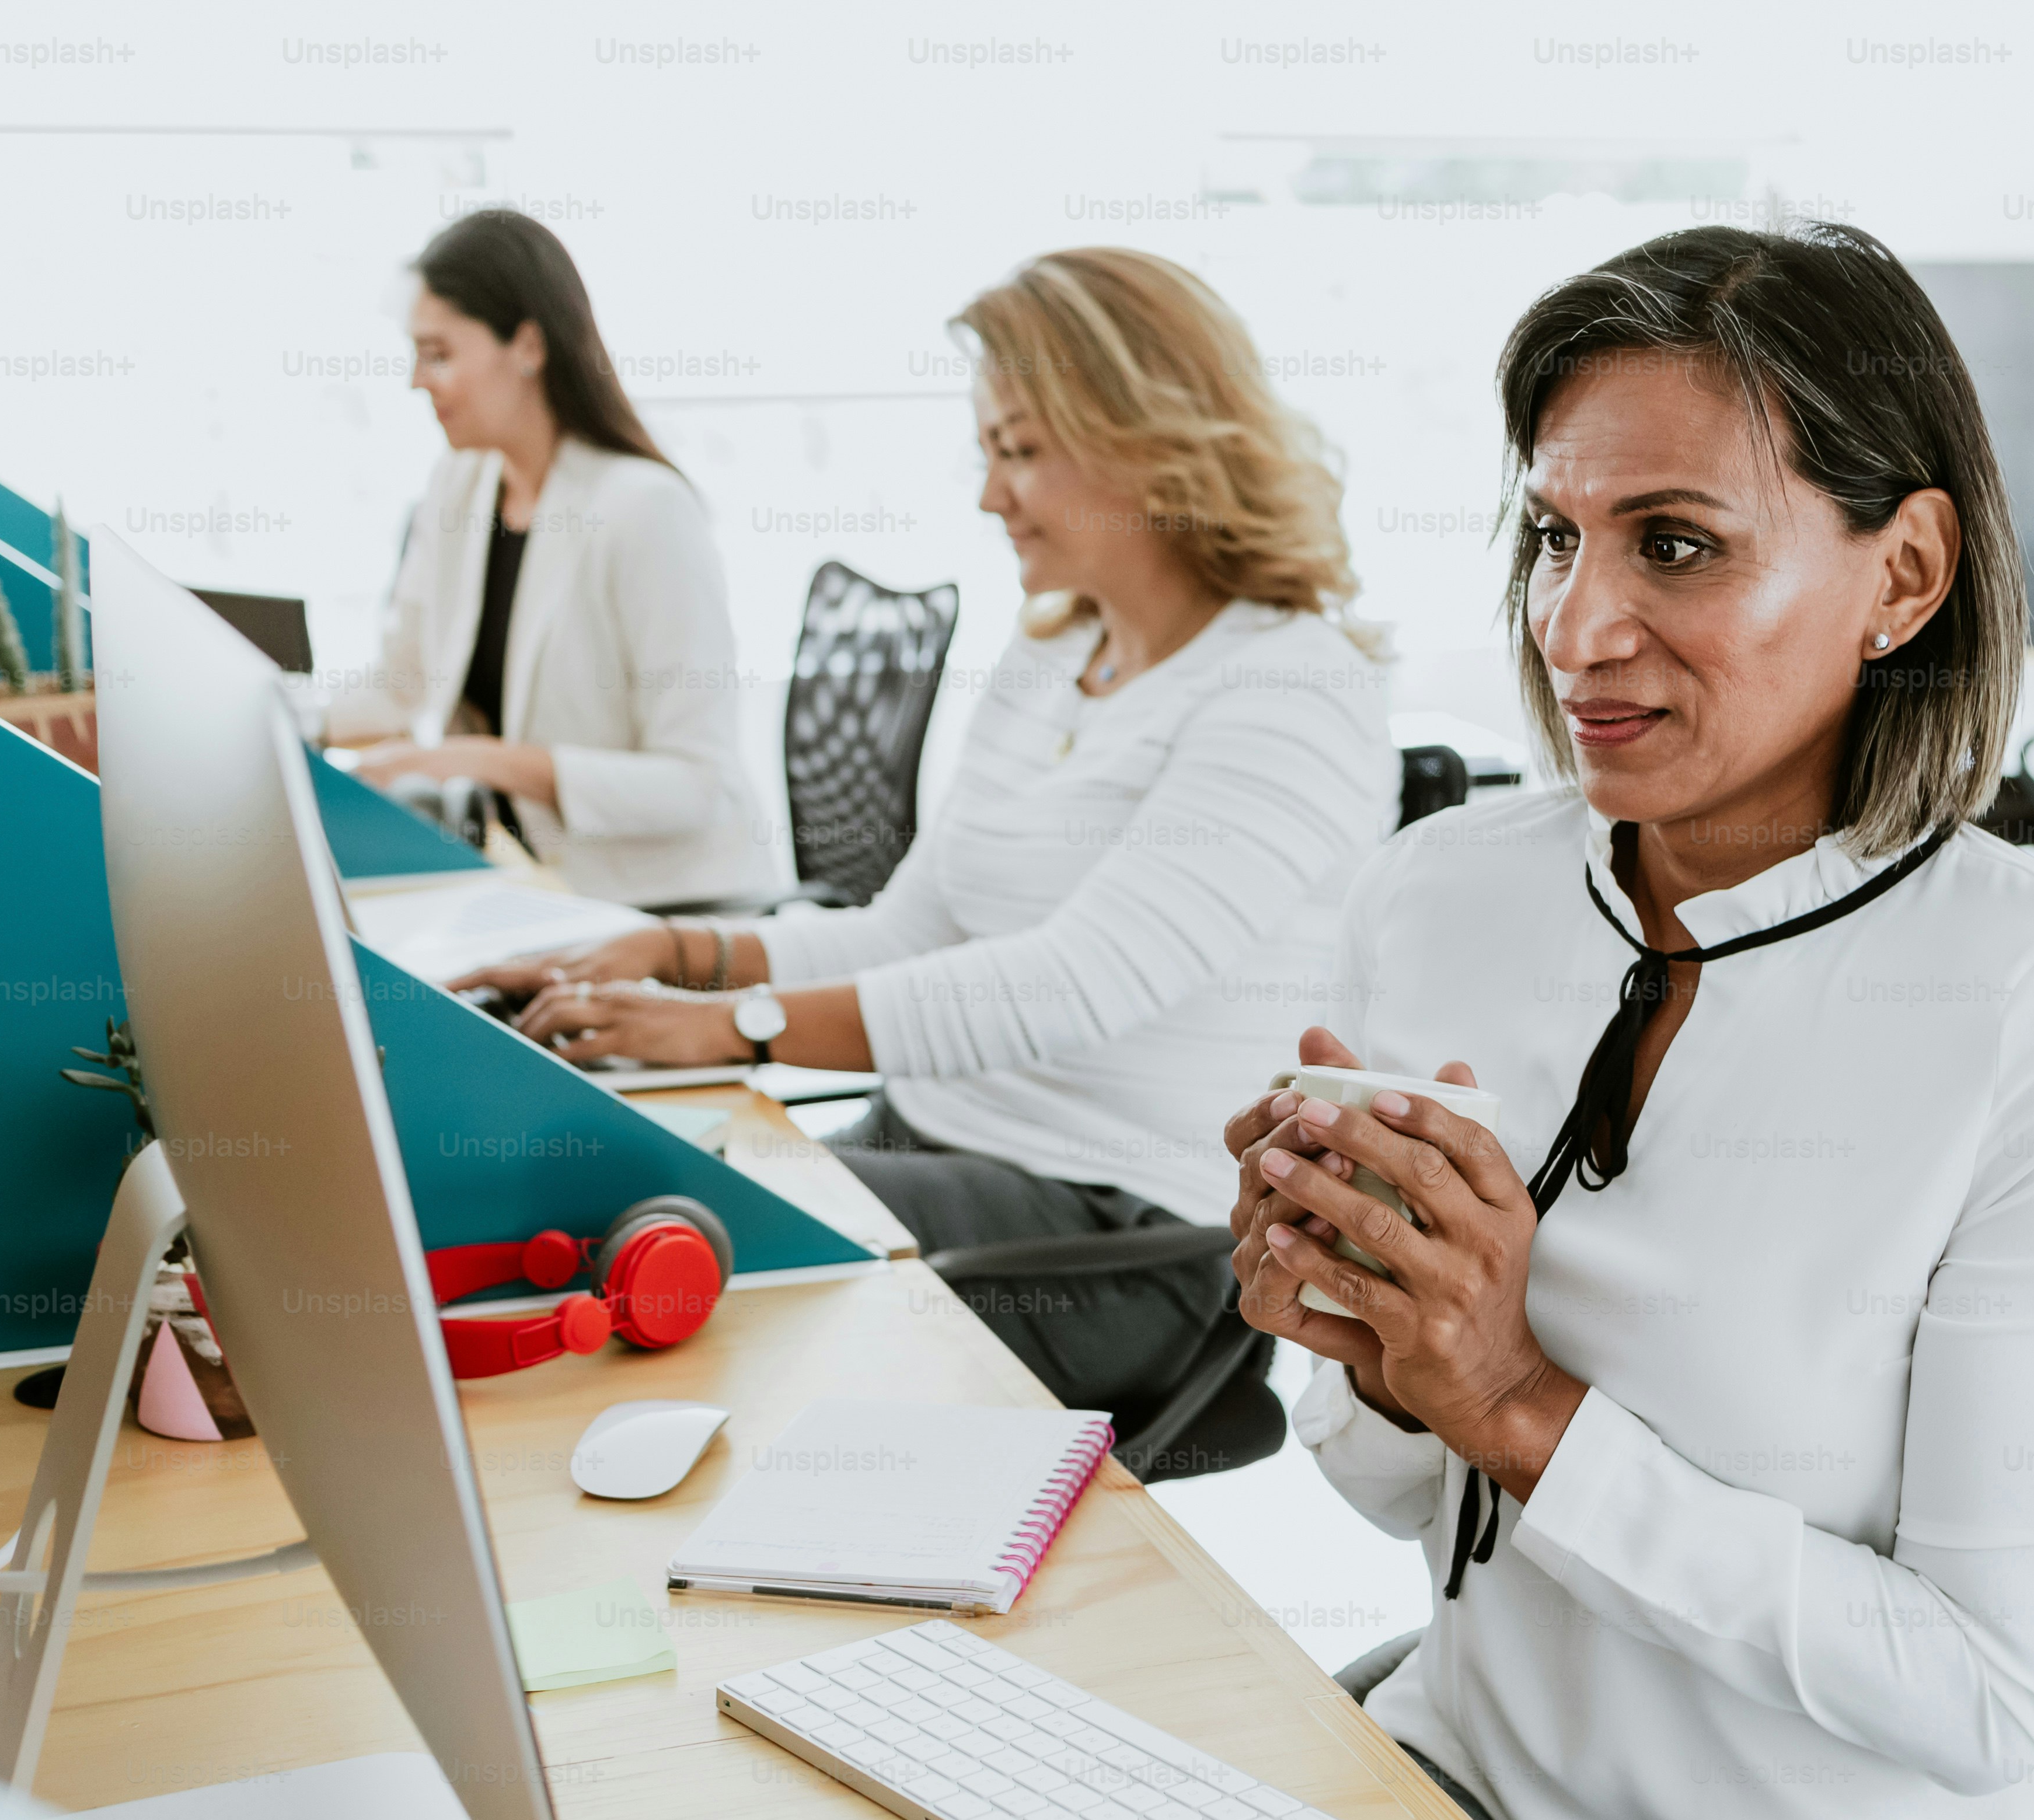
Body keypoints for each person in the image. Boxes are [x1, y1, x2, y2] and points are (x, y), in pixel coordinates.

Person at [1218, 225, 2034, 1820]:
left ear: (1901, 572)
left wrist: (1519, 1401)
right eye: (1551, 536)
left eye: (1672, 543)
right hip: (1488, 1787)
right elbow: (1395, 1507)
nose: (1576, 625)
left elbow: (1988, 1698)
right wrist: (1368, 1352)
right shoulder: (1442, 898)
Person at [456, 248, 1397, 1476]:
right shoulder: (1058, 650)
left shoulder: (1289, 688)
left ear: (1144, 440)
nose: (989, 496)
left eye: (1017, 450)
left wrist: (730, 1021)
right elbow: (911, 928)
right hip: (938, 1147)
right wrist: (681, 955)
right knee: (609, 1193)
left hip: (1116, 1237)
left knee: (662, 1245)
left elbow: (1068, 982)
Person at [344, 208, 768, 906]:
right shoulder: (460, 484)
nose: (419, 381)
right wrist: (268, 719)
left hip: (663, 909)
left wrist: (479, 761)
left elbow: (700, 784)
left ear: (529, 346)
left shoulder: (645, 510)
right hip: (526, 884)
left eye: (440, 354)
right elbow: (401, 682)